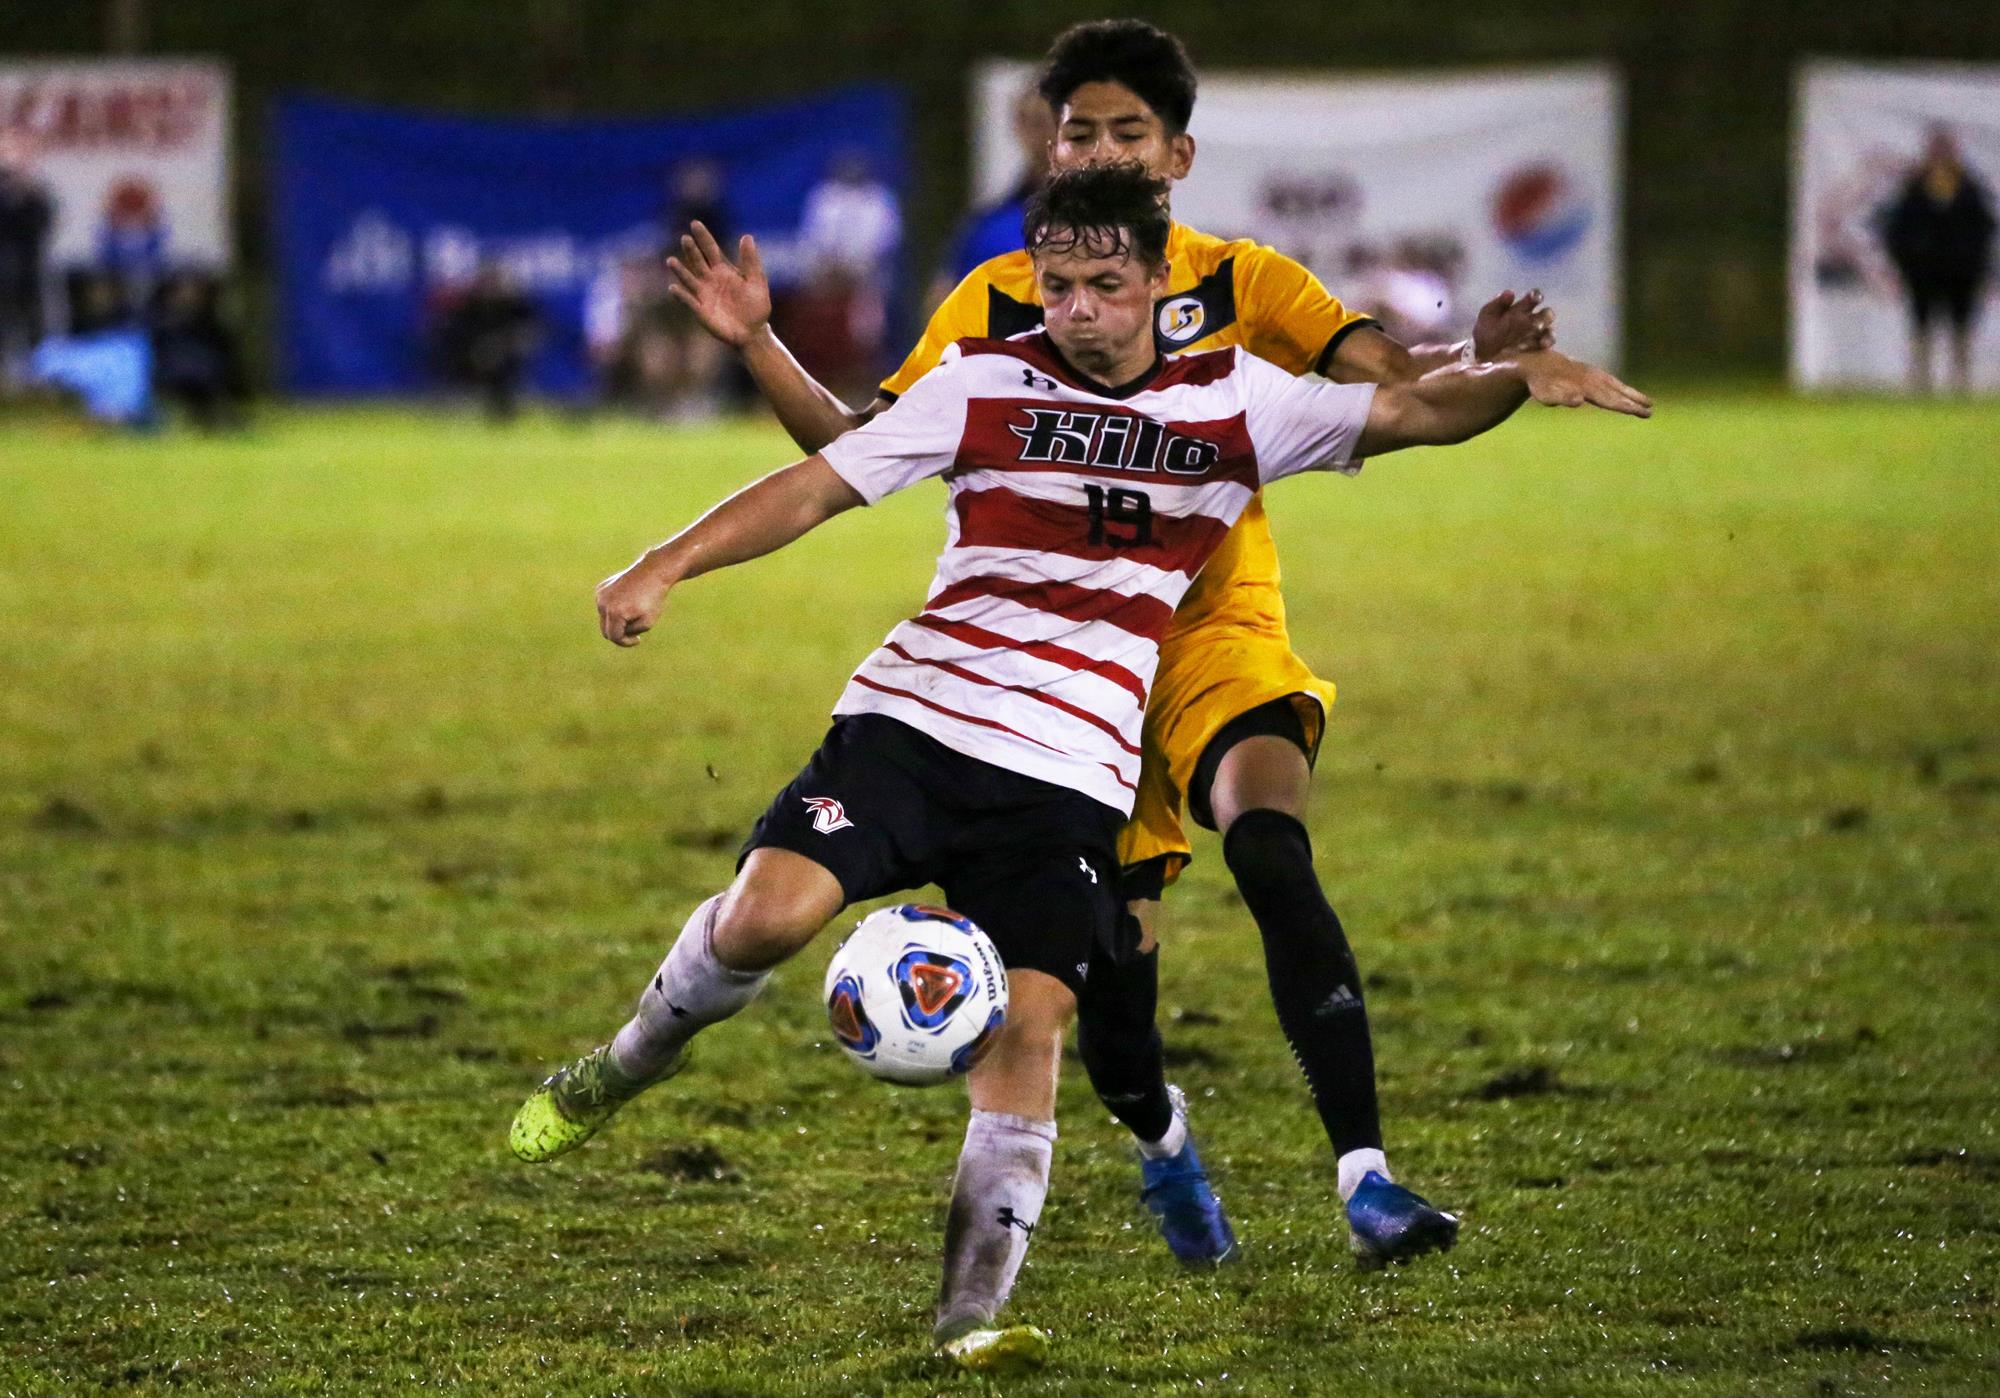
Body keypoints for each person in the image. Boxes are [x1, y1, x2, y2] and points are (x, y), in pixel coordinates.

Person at [511, 162, 1648, 1372]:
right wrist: (664, 562)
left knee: (1034, 1021)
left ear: (1164, 284)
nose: (1079, 309)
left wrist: (1515, 379)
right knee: (761, 923)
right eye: (1056, 284)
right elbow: (816, 485)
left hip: (1067, 776)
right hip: (912, 723)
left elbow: (1419, 412)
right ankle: (623, 1064)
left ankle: (964, 1324)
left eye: (1107, 284)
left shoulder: (1239, 401)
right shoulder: (982, 384)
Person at [662, 18, 1555, 1271]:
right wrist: (758, 341)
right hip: (1043, 683)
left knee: (1270, 847)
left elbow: (1397, 379)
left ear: (1176, 154)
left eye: (1127, 131)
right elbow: (858, 445)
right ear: (1049, 145)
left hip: (1206, 626)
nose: (1103, 150)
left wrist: (1497, 361)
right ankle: (1158, 1133)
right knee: (1114, 1009)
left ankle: (1368, 1178)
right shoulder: (1001, 295)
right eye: (1079, 129)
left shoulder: (1247, 282)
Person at [1878, 127, 1997, 395]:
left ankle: (1960, 383)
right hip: (1923, 272)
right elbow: (1897, 229)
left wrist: (1973, 259)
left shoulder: (1969, 187)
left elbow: (1985, 228)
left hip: (1962, 272)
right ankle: (1920, 383)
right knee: (1922, 325)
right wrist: (1909, 259)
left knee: (1961, 327)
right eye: (1937, 149)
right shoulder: (1914, 187)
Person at [925, 81, 1057, 313]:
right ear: (1019, 127)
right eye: (1036, 122)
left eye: (1054, 121)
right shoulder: (986, 227)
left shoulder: (1102, 219)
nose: (1045, 134)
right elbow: (943, 304)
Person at [429, 261, 543, 421]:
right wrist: (478, 349)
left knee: (501, 362)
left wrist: (501, 345)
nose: (493, 286)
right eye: (489, 281)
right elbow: (455, 333)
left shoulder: (516, 305)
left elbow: (532, 332)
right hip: (469, 357)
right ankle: (463, 401)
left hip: (506, 359)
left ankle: (504, 407)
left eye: (497, 281)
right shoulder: (471, 305)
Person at [0, 134, 55, 395]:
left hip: (28, 274)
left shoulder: (35, 193)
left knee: (33, 326)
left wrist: (24, 193)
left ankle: (36, 378)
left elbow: (42, 227)